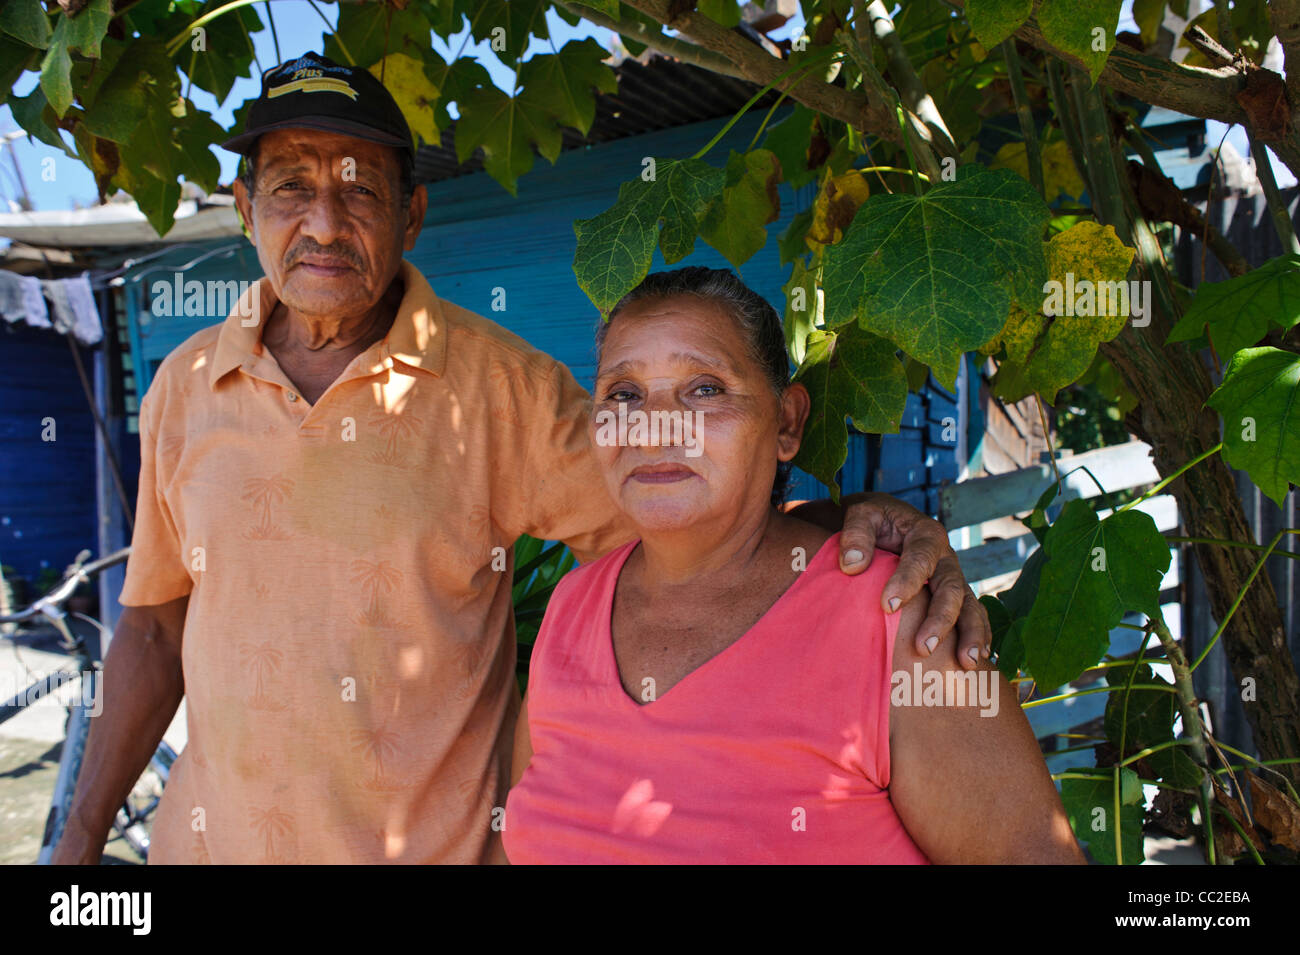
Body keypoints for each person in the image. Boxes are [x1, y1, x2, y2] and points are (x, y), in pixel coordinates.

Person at [52, 53, 990, 865]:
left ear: (412, 214)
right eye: (293, 186)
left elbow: (693, 518)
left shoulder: (498, 388)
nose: (325, 223)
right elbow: (155, 628)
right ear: (248, 208)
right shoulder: (184, 384)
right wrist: (81, 836)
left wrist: (871, 528)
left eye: (360, 188)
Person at [503, 268, 1084, 864]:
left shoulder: (898, 620)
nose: (655, 426)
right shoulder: (571, 608)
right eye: (623, 394)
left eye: (704, 388)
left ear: (786, 423)